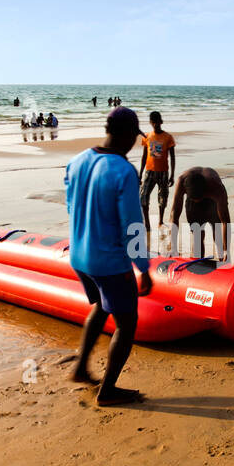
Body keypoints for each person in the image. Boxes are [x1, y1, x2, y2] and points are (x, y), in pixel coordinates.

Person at [64, 107, 153, 407]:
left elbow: (70, 205)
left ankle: (80, 368)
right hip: (109, 262)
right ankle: (108, 391)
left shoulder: (76, 162)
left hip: (79, 256)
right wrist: (143, 267)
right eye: (134, 137)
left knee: (102, 308)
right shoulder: (122, 171)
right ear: (128, 134)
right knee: (127, 324)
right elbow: (132, 224)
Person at [167, 167, 231, 260]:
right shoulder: (181, 182)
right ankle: (199, 263)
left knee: (217, 234)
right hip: (192, 202)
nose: (199, 201)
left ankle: (222, 259)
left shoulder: (216, 187)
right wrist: (173, 247)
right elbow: (174, 215)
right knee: (197, 235)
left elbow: (225, 221)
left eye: (200, 199)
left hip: (212, 201)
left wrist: (227, 251)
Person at [137, 111, 176, 240]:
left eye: (157, 122)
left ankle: (160, 220)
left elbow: (172, 157)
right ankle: (147, 223)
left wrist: (172, 175)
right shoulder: (147, 137)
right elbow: (144, 156)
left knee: (163, 197)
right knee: (143, 197)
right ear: (151, 123)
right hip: (149, 171)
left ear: (161, 122)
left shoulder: (168, 137)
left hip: (163, 172)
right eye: (153, 123)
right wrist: (140, 173)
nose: (155, 125)